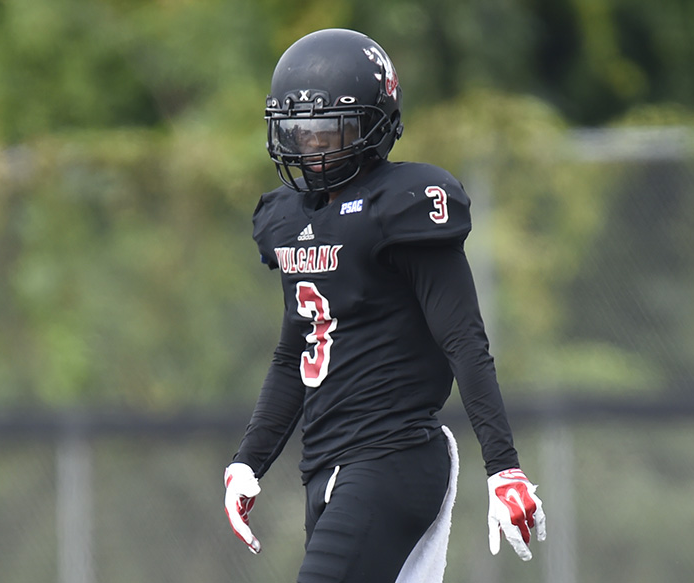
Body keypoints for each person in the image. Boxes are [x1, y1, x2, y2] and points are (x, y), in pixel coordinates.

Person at [223, 28, 546, 583]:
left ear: (375, 124)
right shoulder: (289, 219)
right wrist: (248, 460)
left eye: (329, 131)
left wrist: (504, 468)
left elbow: (464, 341)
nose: (312, 147)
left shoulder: (400, 205)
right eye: (300, 131)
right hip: (324, 463)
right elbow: (294, 353)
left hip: (393, 454)